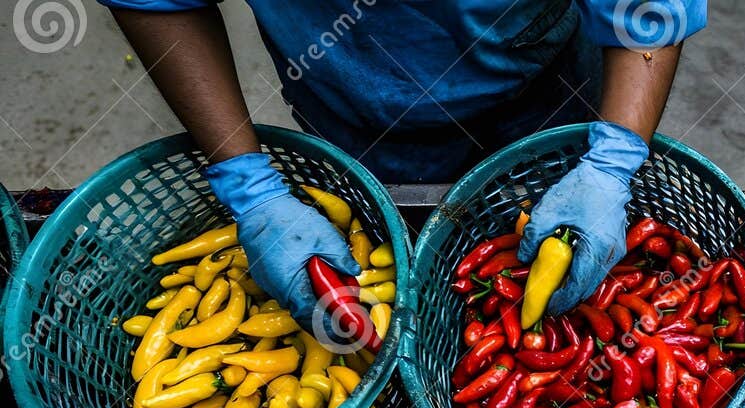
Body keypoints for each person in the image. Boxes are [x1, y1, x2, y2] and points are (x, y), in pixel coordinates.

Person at [102, 1, 705, 323]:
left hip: (541, 73)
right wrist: (250, 186)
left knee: (557, 228)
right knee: (417, 263)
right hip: (351, 95)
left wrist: (611, 162)